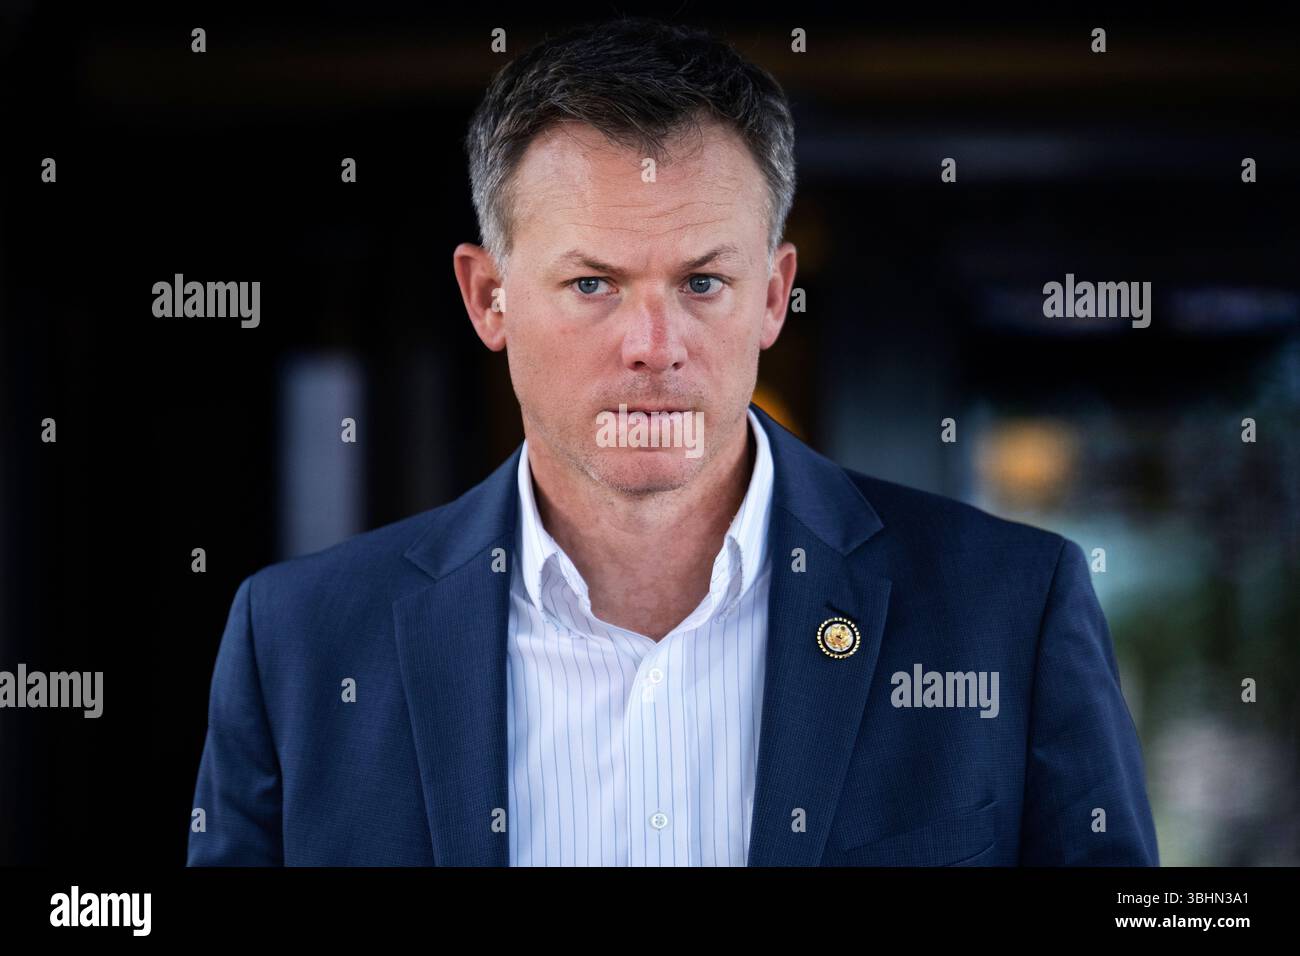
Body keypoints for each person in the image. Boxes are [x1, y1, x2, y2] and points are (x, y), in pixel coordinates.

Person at [187, 16, 1159, 866]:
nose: (652, 347)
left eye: (701, 282)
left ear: (773, 294)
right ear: (489, 297)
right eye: (592, 283)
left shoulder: (1008, 611)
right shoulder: (298, 645)